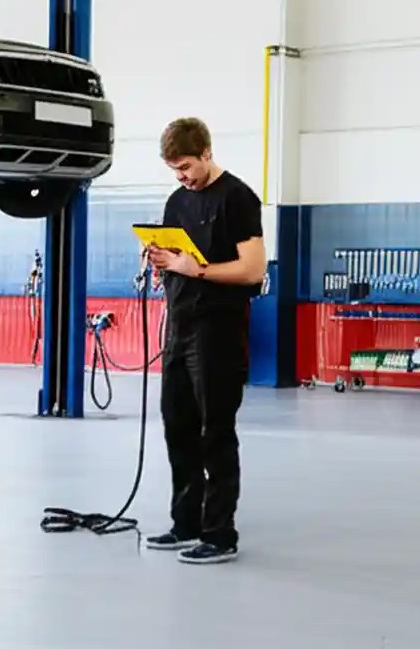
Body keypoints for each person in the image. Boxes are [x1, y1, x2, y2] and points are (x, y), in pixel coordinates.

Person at [142, 117, 266, 565]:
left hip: (219, 331)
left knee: (215, 431)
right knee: (177, 426)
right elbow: (175, 259)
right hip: (179, 326)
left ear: (207, 153)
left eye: (186, 166)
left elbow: (253, 269)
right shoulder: (177, 202)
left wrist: (196, 270)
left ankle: (219, 534)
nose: (182, 176)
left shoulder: (238, 197)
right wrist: (161, 260)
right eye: (174, 169)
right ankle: (186, 523)